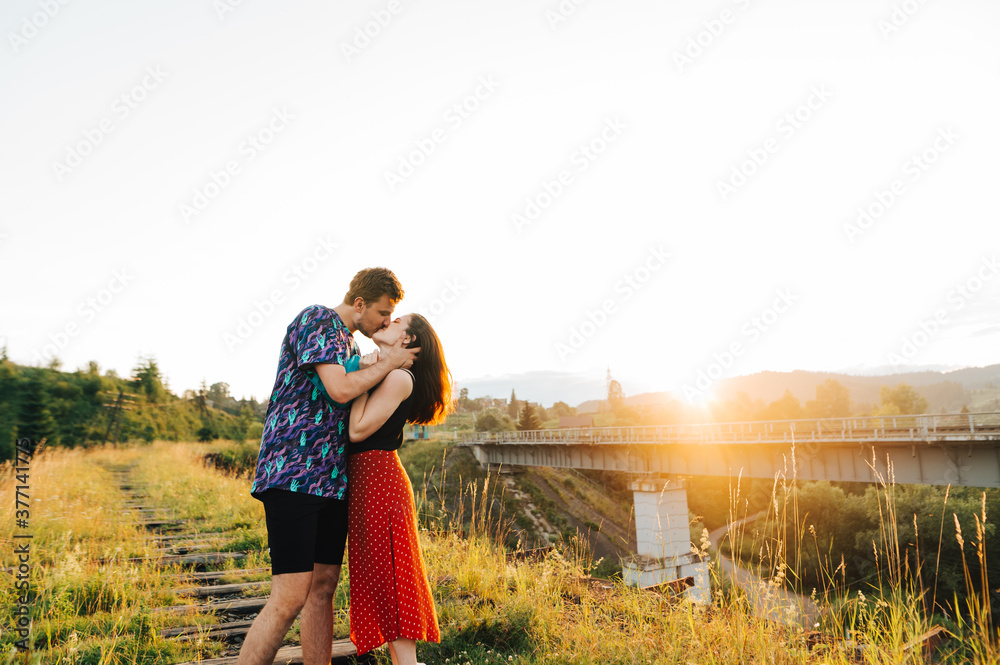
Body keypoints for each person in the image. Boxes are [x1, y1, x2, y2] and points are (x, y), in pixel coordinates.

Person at [237, 267, 419, 665]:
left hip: (332, 482)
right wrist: (390, 362)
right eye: (383, 313)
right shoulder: (316, 319)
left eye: (392, 317)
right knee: (289, 596)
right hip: (293, 474)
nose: (387, 322)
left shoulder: (352, 350)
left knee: (323, 587)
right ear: (359, 304)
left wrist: (381, 363)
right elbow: (338, 389)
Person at [347, 313, 451, 665]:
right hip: (368, 481)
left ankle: (408, 663)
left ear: (407, 341)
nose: (387, 321)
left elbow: (357, 431)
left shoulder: (398, 377)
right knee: (380, 578)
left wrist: (359, 380)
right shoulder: (386, 371)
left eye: (397, 322)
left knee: (392, 577)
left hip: (380, 482)